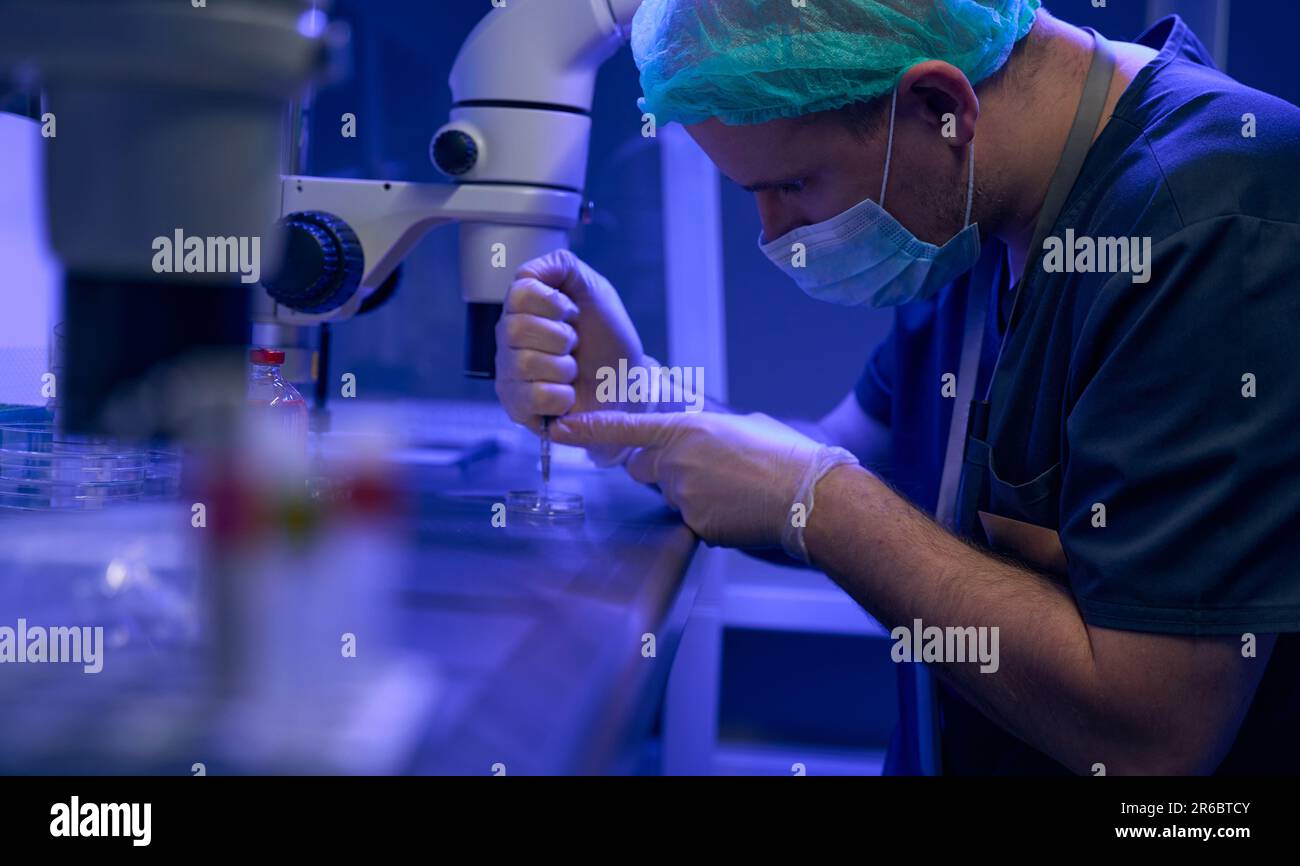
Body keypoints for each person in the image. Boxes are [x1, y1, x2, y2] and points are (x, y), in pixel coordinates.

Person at [493, 0, 1300, 775]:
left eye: (794, 186)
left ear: (938, 104)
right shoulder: (987, 208)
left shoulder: (1210, 226)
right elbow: (838, 460)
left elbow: (1154, 739)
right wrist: (640, 404)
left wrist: (821, 504)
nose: (776, 236)